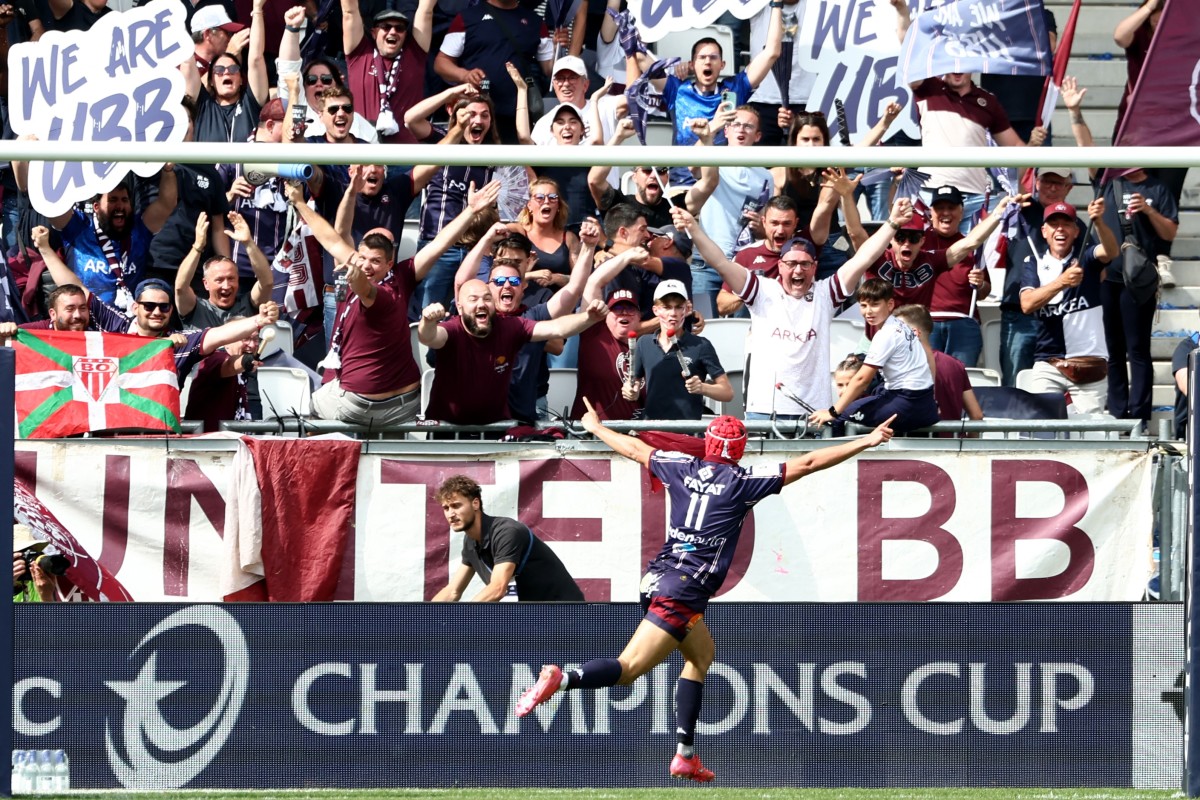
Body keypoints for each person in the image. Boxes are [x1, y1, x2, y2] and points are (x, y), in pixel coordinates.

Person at [515, 403, 895, 781]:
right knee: (628, 670)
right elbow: (809, 462)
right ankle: (563, 679)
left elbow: (634, 449)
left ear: (707, 444)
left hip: (658, 578)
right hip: (684, 590)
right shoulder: (744, 480)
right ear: (741, 449)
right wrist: (867, 440)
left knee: (701, 656)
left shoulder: (680, 466)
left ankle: (684, 754)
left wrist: (595, 427)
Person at [672, 199, 915, 423]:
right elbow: (720, 263)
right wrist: (693, 228)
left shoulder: (826, 293)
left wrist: (892, 223)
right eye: (791, 264)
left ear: (814, 267)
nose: (798, 271)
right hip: (763, 410)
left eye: (804, 264)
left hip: (813, 412)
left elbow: (863, 258)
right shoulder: (761, 291)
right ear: (780, 265)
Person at [418, 283, 608, 425]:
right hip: (447, 432)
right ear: (459, 308)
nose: (482, 304)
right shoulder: (452, 329)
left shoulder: (511, 326)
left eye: (486, 298)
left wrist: (589, 318)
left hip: (494, 431)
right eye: (473, 299)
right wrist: (427, 321)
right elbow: (429, 337)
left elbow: (557, 329)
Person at [1019, 200, 1119, 413]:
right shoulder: (1033, 262)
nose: (1060, 229)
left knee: (1091, 434)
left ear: (1076, 231)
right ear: (1044, 231)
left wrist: (1099, 222)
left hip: (1088, 362)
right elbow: (1027, 304)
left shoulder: (1087, 257)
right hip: (1048, 362)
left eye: (1066, 224)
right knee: (1040, 428)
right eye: (1054, 224)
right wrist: (1062, 282)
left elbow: (1111, 251)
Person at [1100, 168, 1179, 425]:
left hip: (1139, 280)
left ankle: (1140, 417)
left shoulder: (1158, 189)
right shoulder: (1109, 182)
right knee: (1113, 351)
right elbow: (1086, 151)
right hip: (1109, 277)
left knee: (1138, 349)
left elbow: (1169, 233)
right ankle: (1116, 413)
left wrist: (1147, 209)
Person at [809, 279, 939, 434]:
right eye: (863, 305)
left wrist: (832, 412)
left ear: (890, 305)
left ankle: (838, 457)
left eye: (875, 304)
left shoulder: (885, 334)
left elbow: (862, 379)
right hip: (923, 401)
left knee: (839, 417)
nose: (868, 311)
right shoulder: (902, 326)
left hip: (908, 403)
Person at [431, 475, 584, 602]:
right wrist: (422, 618)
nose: (450, 514)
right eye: (446, 508)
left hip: (565, 614)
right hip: (533, 617)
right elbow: (453, 592)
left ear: (475, 503)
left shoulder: (507, 531)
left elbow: (497, 589)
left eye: (456, 506)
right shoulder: (470, 541)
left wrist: (461, 618)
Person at [999, 167, 1078, 386]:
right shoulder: (1018, 209)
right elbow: (1012, 171)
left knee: (1057, 387)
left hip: (1058, 316)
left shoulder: (1075, 224)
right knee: (1015, 384)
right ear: (1036, 183)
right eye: (1047, 182)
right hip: (1019, 313)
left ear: (1068, 188)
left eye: (1058, 183)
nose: (1052, 188)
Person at [626, 280, 732, 420]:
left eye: (678, 307)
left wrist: (702, 387)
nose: (673, 313)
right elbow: (634, 382)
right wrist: (630, 390)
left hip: (688, 433)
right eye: (666, 307)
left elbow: (727, 392)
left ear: (687, 309)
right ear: (655, 310)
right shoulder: (643, 343)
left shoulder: (701, 345)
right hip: (652, 432)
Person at [342, 0, 434, 144]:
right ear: (373, 33)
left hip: (405, 155)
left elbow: (426, 11)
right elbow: (349, 11)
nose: (393, 32)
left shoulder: (415, 54)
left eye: (400, 28)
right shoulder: (359, 53)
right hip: (363, 153)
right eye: (386, 27)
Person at [175, 212, 274, 328]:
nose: (226, 286)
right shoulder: (196, 308)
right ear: (206, 283)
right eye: (219, 280)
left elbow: (266, 283)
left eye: (231, 278)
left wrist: (248, 243)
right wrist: (197, 246)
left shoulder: (248, 304)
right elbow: (180, 288)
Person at [893, 303, 984, 424]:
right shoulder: (955, 364)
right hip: (953, 441)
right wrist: (969, 442)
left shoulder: (901, 364)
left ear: (914, 332)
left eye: (897, 330)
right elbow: (977, 415)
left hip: (911, 441)